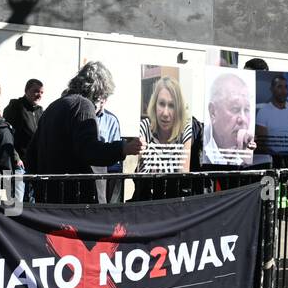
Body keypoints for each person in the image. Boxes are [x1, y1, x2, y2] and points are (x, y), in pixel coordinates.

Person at [27, 62, 142, 203]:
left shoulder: (54, 106)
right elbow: (89, 150)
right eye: (104, 97)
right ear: (99, 92)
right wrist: (123, 148)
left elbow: (31, 154)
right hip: (75, 200)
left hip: (49, 198)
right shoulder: (83, 105)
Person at [134, 72, 191, 200]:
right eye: (161, 104)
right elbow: (142, 175)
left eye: (171, 105)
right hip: (148, 202)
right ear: (155, 104)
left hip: (176, 204)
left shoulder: (185, 129)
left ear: (179, 108)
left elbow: (184, 174)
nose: (165, 113)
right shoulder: (145, 127)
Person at [200, 71, 257, 166]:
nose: (243, 119)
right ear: (213, 112)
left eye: (246, 109)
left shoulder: (252, 148)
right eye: (235, 109)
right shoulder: (197, 142)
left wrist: (246, 161)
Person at [253, 73, 288, 169]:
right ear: (272, 89)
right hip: (270, 161)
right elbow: (262, 143)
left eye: (286, 87)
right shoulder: (263, 111)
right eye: (279, 87)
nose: (283, 91)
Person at [2, 79, 44, 158]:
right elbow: (7, 135)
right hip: (20, 160)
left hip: (36, 158)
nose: (40, 95)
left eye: (42, 92)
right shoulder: (15, 107)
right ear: (26, 91)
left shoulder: (40, 111)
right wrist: (15, 157)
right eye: (36, 91)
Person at [94, 97, 124, 204]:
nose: (97, 104)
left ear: (105, 101)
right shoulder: (84, 116)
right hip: (90, 170)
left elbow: (115, 147)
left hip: (108, 169)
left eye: (100, 101)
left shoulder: (111, 119)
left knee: (108, 205)